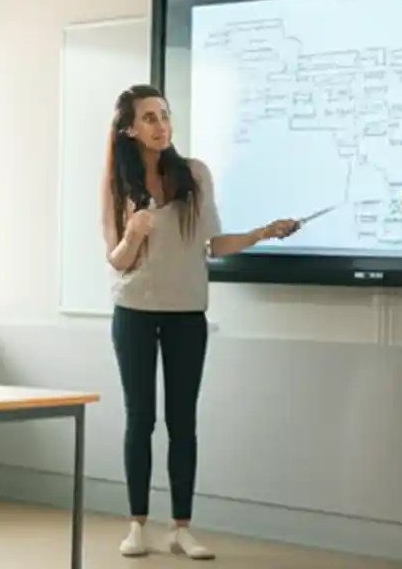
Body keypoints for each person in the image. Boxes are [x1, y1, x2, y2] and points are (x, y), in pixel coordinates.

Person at [103, 84, 297, 560]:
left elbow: (214, 244)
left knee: (182, 422)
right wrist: (132, 233)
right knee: (140, 420)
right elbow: (117, 260)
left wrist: (262, 233)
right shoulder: (117, 185)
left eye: (164, 115)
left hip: (187, 313)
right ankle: (137, 526)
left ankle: (181, 527)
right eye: (149, 117)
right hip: (134, 314)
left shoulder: (194, 175)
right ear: (129, 128)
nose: (161, 124)